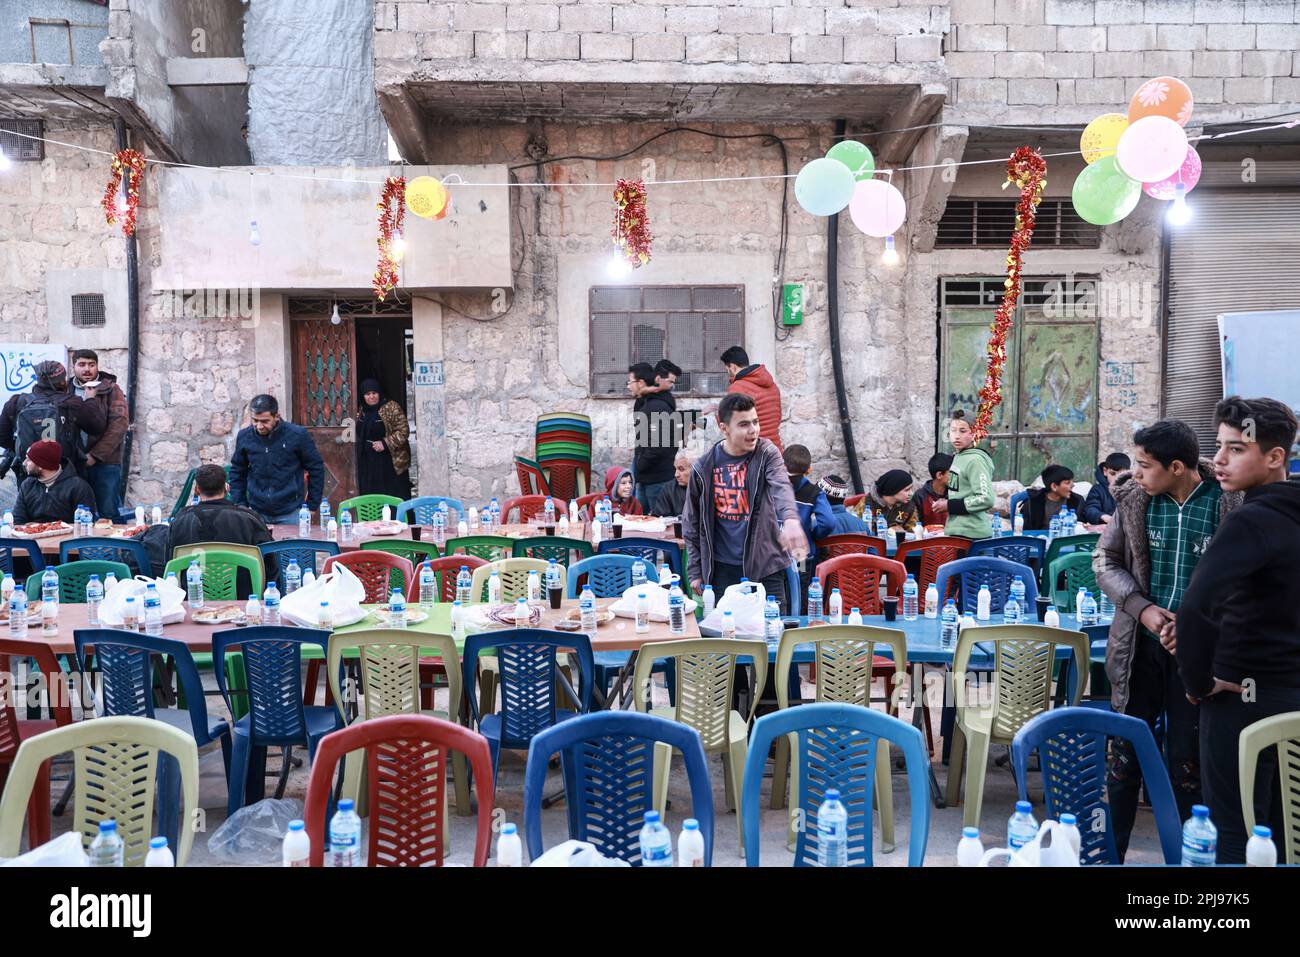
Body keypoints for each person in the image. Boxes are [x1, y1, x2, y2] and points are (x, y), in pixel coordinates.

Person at [1093, 418, 1240, 862]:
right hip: (1139, 646)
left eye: (1144, 465)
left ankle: (1190, 858)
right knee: (1125, 753)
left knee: (1187, 760)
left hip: (1198, 654)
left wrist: (1200, 627)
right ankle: (1111, 853)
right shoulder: (1134, 501)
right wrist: (1144, 609)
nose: (1134, 474)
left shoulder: (1229, 504)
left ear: (1177, 466)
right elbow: (1105, 560)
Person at [1176, 396, 1300, 864]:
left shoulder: (1252, 519)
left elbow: (1195, 608)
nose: (1220, 460)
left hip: (1241, 697)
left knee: (1234, 831)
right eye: (1219, 447)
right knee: (1287, 834)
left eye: (1237, 449)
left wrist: (1198, 680)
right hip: (1291, 697)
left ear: (1274, 457)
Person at [682, 392, 806, 612]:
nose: (753, 430)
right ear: (724, 427)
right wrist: (695, 570)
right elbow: (691, 522)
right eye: (744, 424)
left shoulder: (767, 453)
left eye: (755, 422)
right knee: (729, 639)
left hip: (765, 566)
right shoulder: (703, 467)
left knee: (773, 636)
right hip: (722, 571)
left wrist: (790, 519)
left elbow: (781, 486)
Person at [0, 359, 105, 485]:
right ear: (61, 381)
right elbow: (97, 427)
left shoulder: (17, 402)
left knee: (29, 504)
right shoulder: (72, 402)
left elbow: (2, 438)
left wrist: (24, 447)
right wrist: (90, 400)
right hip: (67, 475)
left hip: (29, 476)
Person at [228, 394, 325, 525]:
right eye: (255, 420)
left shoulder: (297, 435)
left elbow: (316, 468)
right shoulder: (244, 436)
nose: (259, 426)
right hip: (256, 512)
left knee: (292, 546)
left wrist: (312, 505)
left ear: (277, 416)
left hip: (292, 512)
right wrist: (240, 505)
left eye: (265, 421)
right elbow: (237, 471)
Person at [68, 349, 129, 519]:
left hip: (106, 463)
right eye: (82, 364)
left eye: (91, 365)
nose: (87, 369)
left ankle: (115, 546)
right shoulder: (66, 389)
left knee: (108, 512)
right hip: (73, 463)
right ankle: (80, 546)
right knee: (78, 513)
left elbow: (119, 426)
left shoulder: (111, 389)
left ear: (97, 367)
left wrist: (95, 456)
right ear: (73, 367)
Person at [169, 464, 274, 553]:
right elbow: (270, 557)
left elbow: (170, 561)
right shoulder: (249, 518)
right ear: (226, 488)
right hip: (239, 577)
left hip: (193, 576)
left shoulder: (180, 520)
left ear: (197, 490)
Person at [785, 445, 835, 597]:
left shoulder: (772, 486)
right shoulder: (814, 492)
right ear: (808, 469)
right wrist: (813, 535)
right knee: (799, 595)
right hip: (801, 555)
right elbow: (828, 523)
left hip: (773, 553)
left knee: (773, 595)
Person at [627, 363, 678, 514]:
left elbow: (659, 445)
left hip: (657, 478)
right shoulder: (647, 403)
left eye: (630, 382)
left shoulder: (657, 407)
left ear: (641, 382)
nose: (628, 386)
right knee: (639, 521)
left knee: (659, 526)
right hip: (646, 476)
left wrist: (641, 463)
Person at [11, 439, 97, 525]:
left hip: (68, 537)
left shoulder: (78, 487)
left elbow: (85, 524)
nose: (24, 463)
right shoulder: (27, 485)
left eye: (29, 460)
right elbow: (18, 520)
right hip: (32, 536)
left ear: (41, 465)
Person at [356, 378, 411, 500]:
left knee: (392, 494)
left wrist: (385, 443)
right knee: (371, 494)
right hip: (368, 461)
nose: (371, 397)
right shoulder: (362, 410)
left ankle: (395, 519)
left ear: (379, 393)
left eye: (374, 393)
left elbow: (404, 431)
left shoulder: (391, 407)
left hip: (389, 460)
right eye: (367, 394)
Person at [720, 346, 783, 452]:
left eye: (727, 370)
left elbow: (729, 426)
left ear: (732, 367)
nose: (728, 375)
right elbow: (778, 418)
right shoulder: (773, 386)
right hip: (775, 451)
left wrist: (718, 412)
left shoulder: (737, 388)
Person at [944, 410, 995, 539]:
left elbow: (986, 498)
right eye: (953, 430)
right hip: (957, 532)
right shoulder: (959, 456)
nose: (956, 436)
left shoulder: (975, 460)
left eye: (962, 431)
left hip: (972, 534)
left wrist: (949, 505)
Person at [1023, 464, 1084, 530]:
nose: (1073, 485)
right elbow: (1026, 531)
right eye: (1067, 482)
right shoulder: (1032, 503)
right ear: (1054, 486)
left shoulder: (1077, 501)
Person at [1082, 452, 1131, 525]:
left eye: (1121, 475)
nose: (1117, 478)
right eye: (1113, 474)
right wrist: (1102, 516)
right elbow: (1090, 508)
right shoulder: (1097, 490)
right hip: (1105, 529)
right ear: (1105, 471)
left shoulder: (1132, 489)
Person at [912, 453, 953, 526]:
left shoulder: (955, 494)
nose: (955, 476)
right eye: (951, 473)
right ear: (939, 475)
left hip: (950, 536)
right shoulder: (920, 496)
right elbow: (915, 524)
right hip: (927, 536)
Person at [651, 451, 691, 517]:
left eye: (681, 469)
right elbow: (660, 517)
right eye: (675, 469)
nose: (676, 475)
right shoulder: (669, 489)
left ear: (695, 468)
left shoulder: (706, 487)